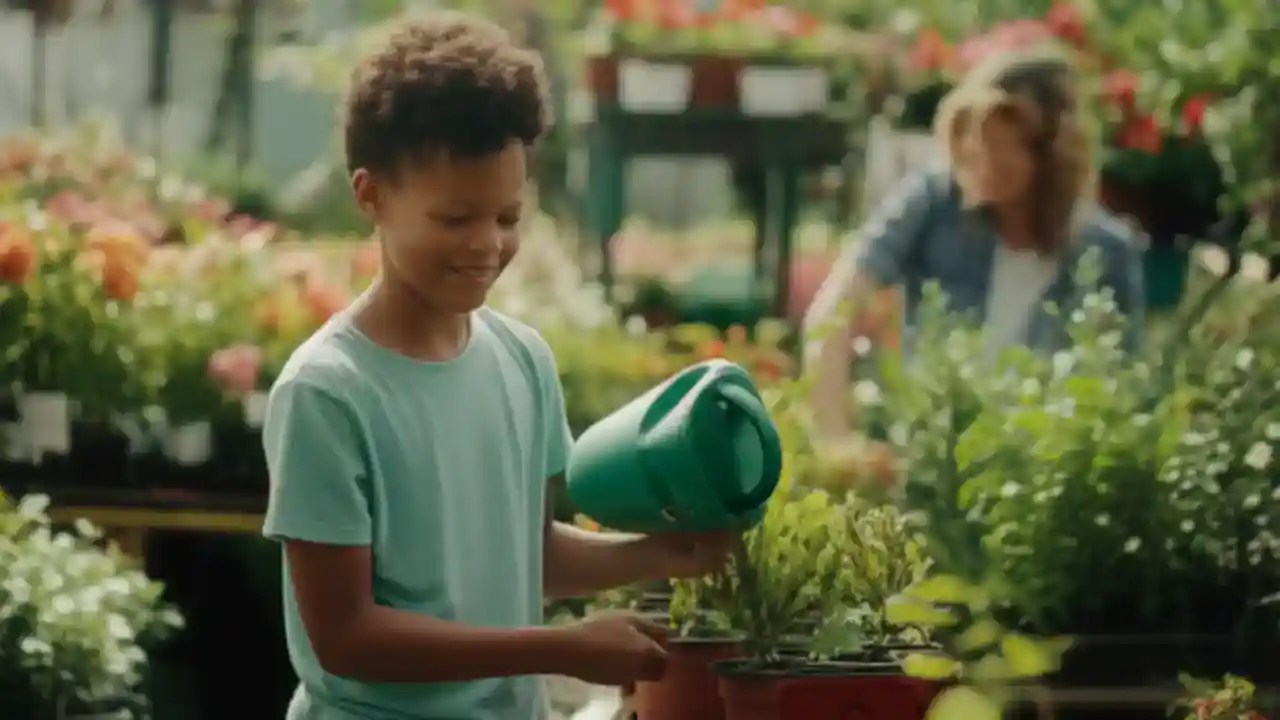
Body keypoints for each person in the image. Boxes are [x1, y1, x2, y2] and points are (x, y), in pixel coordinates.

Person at [260, 14, 736, 720]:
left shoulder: (521, 359)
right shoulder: (327, 393)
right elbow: (348, 638)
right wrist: (560, 648)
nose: (487, 245)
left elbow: (525, 557)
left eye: (508, 217)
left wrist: (656, 554)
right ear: (371, 196)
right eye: (455, 220)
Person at [804, 50, 1146, 436]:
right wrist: (835, 442)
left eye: (1004, 149)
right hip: (932, 457)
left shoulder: (1108, 253)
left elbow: (1120, 400)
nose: (982, 161)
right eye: (975, 142)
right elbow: (832, 316)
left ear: (1052, 158)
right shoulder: (933, 202)